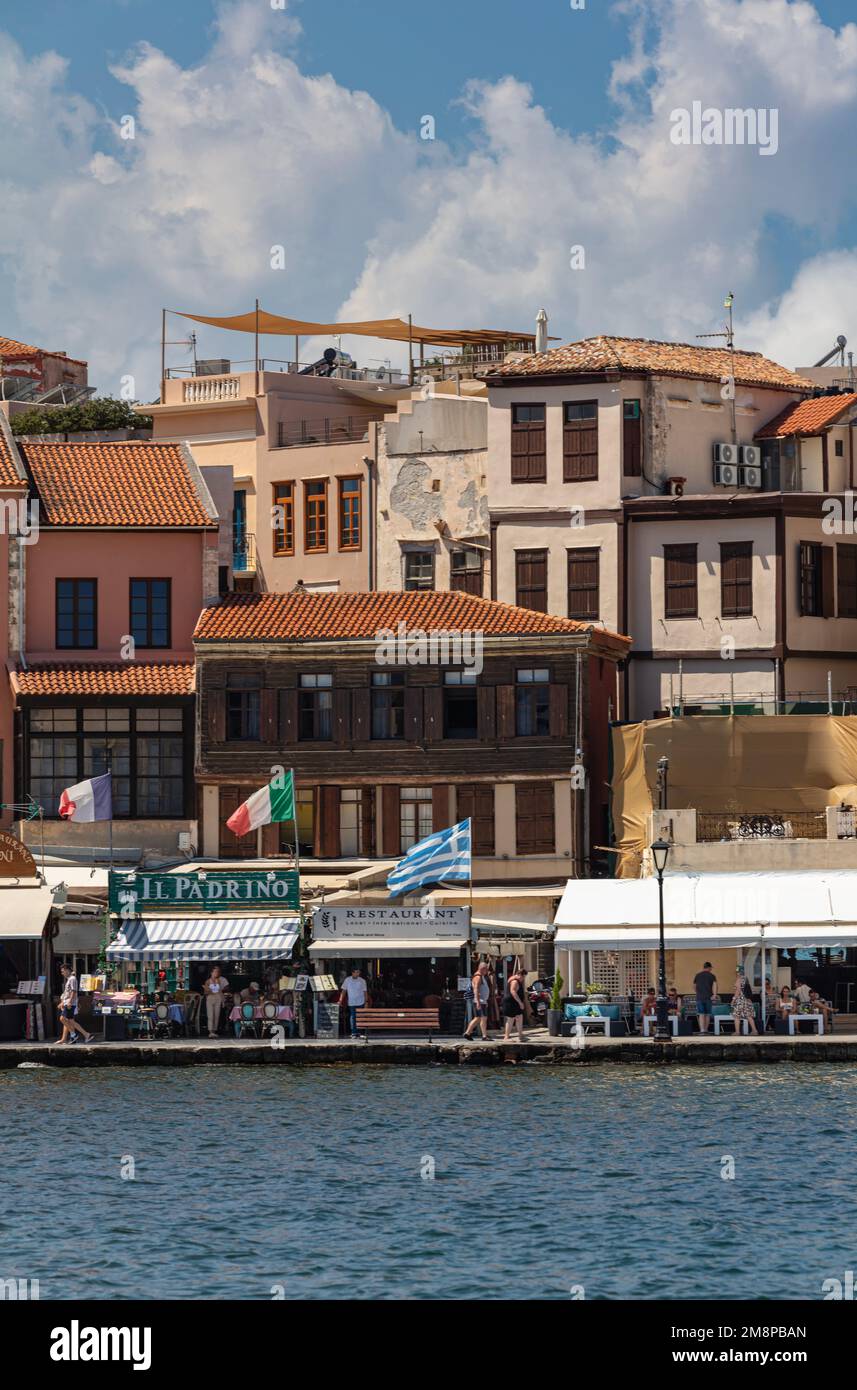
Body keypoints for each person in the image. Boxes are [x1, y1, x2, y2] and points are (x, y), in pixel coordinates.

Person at [56, 964, 94, 1044]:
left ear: (67, 970)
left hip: (70, 1003)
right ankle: (83, 1035)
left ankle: (76, 1035)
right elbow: (68, 992)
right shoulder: (70, 979)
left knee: (64, 1019)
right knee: (69, 1020)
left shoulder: (72, 979)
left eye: (63, 971)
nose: (62, 973)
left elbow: (74, 991)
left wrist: (69, 1001)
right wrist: (63, 1002)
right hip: (68, 1002)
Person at [463, 962, 491, 1040]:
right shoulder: (478, 977)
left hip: (482, 1000)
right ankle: (484, 1036)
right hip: (480, 1001)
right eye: (486, 969)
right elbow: (476, 989)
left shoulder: (480, 976)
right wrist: (478, 1002)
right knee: (483, 1018)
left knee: (478, 1018)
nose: (487, 971)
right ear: (483, 969)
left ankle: (467, 1033)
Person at [340, 967, 368, 1038]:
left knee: (360, 1017)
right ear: (352, 973)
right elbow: (343, 991)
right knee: (353, 1017)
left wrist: (366, 1001)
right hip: (352, 1002)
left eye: (358, 972)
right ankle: (354, 1032)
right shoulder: (347, 980)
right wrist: (340, 1000)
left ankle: (361, 1032)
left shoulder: (362, 981)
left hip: (361, 1001)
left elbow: (365, 992)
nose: (357, 974)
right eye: (356, 972)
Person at [203, 965, 229, 1038]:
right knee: (210, 1015)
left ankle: (214, 1031)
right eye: (215, 971)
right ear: (212, 972)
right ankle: (210, 1031)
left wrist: (222, 999)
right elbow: (205, 992)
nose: (217, 973)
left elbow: (221, 990)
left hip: (218, 997)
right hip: (210, 998)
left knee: (216, 1015)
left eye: (218, 971)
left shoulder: (220, 980)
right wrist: (209, 991)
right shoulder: (208, 981)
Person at [502, 967, 527, 1042]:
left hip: (514, 1003)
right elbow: (513, 991)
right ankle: (506, 1037)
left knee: (519, 1017)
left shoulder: (514, 979)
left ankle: (520, 1036)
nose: (523, 979)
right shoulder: (515, 981)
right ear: (519, 975)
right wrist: (520, 1002)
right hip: (511, 1003)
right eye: (523, 977)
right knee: (510, 1019)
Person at [693, 961, 718, 1034]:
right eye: (711, 968)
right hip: (708, 997)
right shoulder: (712, 976)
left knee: (701, 1014)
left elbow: (694, 986)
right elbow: (714, 985)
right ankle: (706, 1029)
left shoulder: (697, 975)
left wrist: (698, 992)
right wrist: (714, 994)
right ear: (709, 967)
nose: (711, 969)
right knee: (707, 1014)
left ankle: (702, 1030)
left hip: (699, 997)